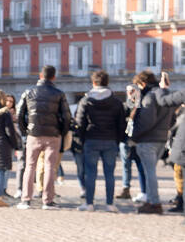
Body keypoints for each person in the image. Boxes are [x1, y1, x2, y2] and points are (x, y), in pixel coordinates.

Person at [126, 70, 185, 214]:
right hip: (161, 138)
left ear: (143, 83)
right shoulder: (163, 94)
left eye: (138, 85)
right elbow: (171, 118)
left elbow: (146, 120)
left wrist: (134, 136)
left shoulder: (149, 96)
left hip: (147, 139)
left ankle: (154, 202)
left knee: (149, 172)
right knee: (150, 172)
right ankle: (152, 200)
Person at [16, 65, 72, 210]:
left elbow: (19, 114)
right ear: (53, 77)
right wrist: (63, 132)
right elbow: (67, 116)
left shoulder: (29, 92)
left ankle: (25, 200)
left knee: (30, 166)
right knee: (50, 167)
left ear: (40, 75)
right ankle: (47, 200)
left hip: (33, 134)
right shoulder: (59, 93)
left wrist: (25, 131)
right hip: (53, 135)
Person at [71, 70, 125, 211]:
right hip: (110, 140)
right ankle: (110, 204)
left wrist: (82, 140)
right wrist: (117, 140)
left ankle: (89, 203)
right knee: (109, 174)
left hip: (91, 139)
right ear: (107, 82)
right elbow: (121, 124)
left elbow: (80, 123)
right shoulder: (116, 101)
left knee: (90, 173)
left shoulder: (86, 100)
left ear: (93, 82)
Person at [166, 101, 185, 214]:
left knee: (179, 177)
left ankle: (180, 200)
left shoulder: (181, 114)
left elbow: (173, 130)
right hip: (179, 149)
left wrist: (171, 148)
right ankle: (179, 199)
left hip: (180, 150)